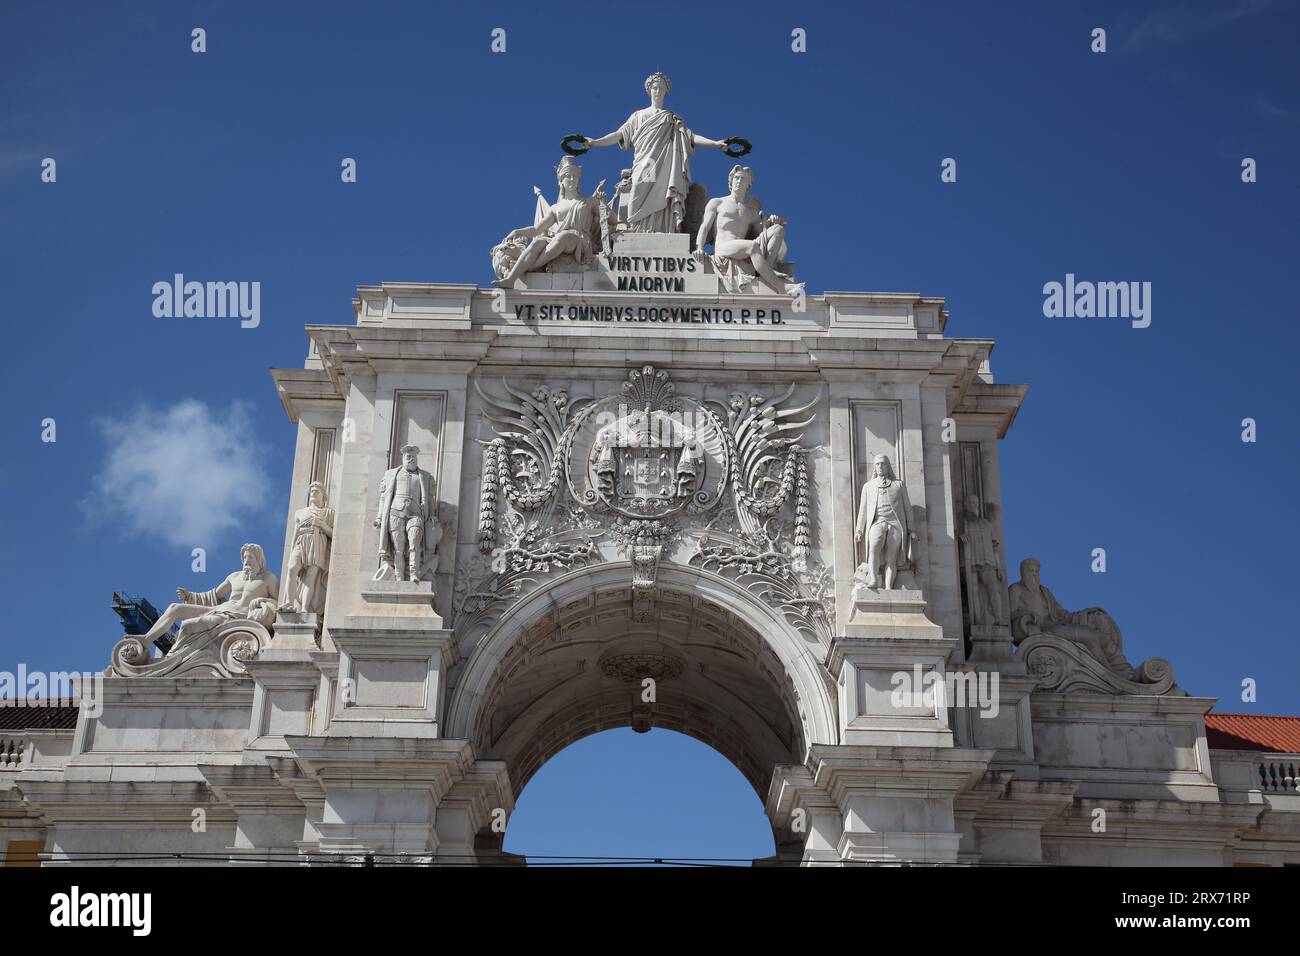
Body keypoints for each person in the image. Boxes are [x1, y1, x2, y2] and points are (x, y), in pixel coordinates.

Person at [576, 72, 730, 233]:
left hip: (666, 164)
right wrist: (594, 142)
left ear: (666, 91)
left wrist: (716, 143)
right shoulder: (638, 116)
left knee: (664, 194)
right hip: (645, 162)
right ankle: (636, 230)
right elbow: (618, 135)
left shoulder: (672, 118)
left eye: (661, 88)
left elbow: (691, 137)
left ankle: (664, 231)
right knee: (638, 191)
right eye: (655, 88)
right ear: (649, 90)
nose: (657, 91)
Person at [132, 544, 278, 652]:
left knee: (187, 626)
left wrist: (263, 601)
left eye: (250, 557)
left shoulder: (268, 579)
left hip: (233, 618)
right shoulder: (234, 577)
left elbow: (280, 604)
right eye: (244, 557)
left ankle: (175, 656)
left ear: (259, 559)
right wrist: (190, 596)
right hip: (219, 609)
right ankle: (146, 639)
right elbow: (214, 595)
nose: (246, 561)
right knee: (174, 608)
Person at [374, 444, 437, 582]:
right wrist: (379, 517)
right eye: (408, 457)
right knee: (398, 548)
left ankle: (414, 573)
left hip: (416, 514)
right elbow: (384, 498)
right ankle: (399, 576)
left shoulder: (425, 477)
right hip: (395, 513)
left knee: (414, 543)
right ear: (403, 458)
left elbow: (430, 499)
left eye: (413, 457)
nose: (411, 459)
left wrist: (432, 514)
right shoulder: (391, 474)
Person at [855, 454, 917, 589]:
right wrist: (859, 529)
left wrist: (912, 529)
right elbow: (863, 510)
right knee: (873, 549)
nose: (880, 466)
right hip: (877, 523)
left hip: (895, 524)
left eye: (883, 464)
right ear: (874, 467)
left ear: (888, 466)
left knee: (891, 558)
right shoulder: (868, 486)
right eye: (877, 464)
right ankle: (872, 579)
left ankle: (888, 586)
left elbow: (907, 508)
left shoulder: (899, 485)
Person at [280, 481, 334, 613]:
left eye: (317, 491)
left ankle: (304, 608)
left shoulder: (328, 513)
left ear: (323, 495)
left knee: (311, 576)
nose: (313, 493)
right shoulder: (300, 512)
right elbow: (295, 533)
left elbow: (333, 534)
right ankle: (288, 602)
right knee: (292, 568)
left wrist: (321, 524)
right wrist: (292, 548)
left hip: (318, 542)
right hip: (301, 541)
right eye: (312, 491)